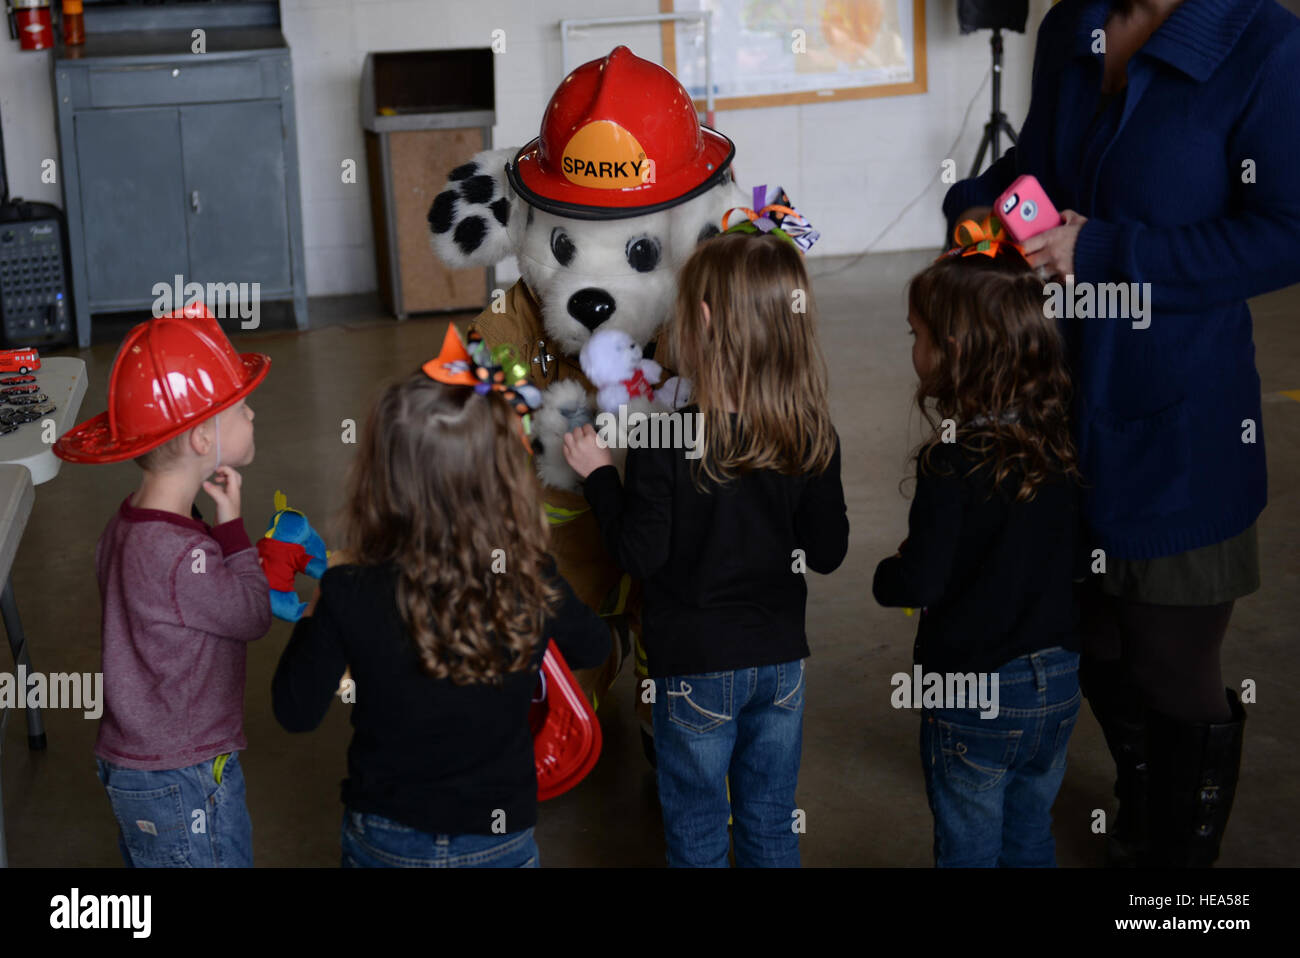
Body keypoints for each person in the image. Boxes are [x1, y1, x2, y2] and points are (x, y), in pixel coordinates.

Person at [944, 0, 1300, 867]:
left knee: (1169, 662)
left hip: (1183, 420)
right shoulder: (1071, 25)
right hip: (1055, 406)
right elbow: (1033, 169)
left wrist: (1104, 253)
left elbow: (1284, 235)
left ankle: (1180, 881)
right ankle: (1146, 794)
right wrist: (976, 218)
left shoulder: (1264, 45)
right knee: (1089, 634)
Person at [562, 230, 849, 867]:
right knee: (770, 820)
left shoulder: (667, 436)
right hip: (780, 667)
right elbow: (827, 551)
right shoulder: (811, 431)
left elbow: (640, 555)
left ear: (707, 320)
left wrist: (601, 477)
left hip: (692, 671)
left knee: (695, 830)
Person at [271, 326, 609, 868]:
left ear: (382, 476)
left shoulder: (348, 591)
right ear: (501, 478)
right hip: (500, 833)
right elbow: (593, 646)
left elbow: (295, 711)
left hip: (386, 832)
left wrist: (315, 613)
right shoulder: (529, 577)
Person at [873, 241, 1085, 867]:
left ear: (953, 352)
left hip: (974, 689)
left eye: (917, 335)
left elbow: (922, 580)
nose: (913, 348)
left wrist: (891, 575)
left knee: (967, 845)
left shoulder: (950, 460)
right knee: (1030, 835)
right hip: (1060, 685)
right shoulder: (1059, 443)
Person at [53, 304, 272, 867]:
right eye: (240, 407)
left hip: (136, 764)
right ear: (202, 438)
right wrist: (233, 534)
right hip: (185, 774)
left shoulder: (126, 524)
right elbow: (252, 613)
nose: (252, 415)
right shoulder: (184, 556)